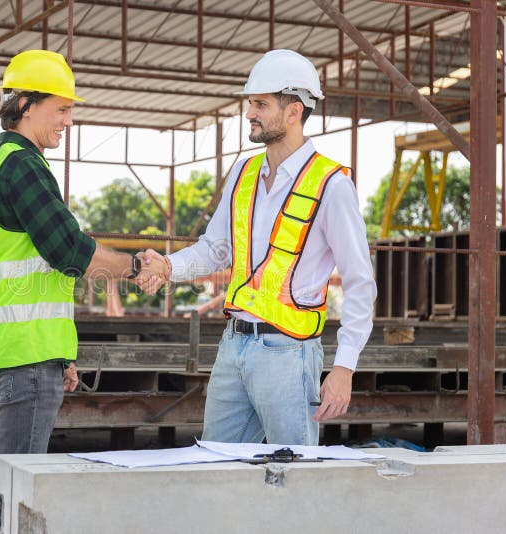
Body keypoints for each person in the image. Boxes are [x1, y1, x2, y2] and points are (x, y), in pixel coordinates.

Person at [139, 49, 376, 446]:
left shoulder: (331, 185)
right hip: (233, 346)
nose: (250, 112)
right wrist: (168, 267)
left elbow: (359, 282)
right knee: (216, 463)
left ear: (294, 111)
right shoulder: (243, 172)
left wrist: (344, 368)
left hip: (290, 354)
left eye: (261, 104)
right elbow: (217, 247)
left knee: (293, 473)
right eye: (250, 102)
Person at [0, 49, 153, 534]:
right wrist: (136, 267)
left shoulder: (5, 165)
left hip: (25, 356)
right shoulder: (23, 168)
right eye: (63, 108)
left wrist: (60, 354)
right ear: (26, 104)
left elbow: (40, 276)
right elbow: (68, 251)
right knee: (12, 497)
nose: (69, 121)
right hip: (23, 361)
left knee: (10, 492)